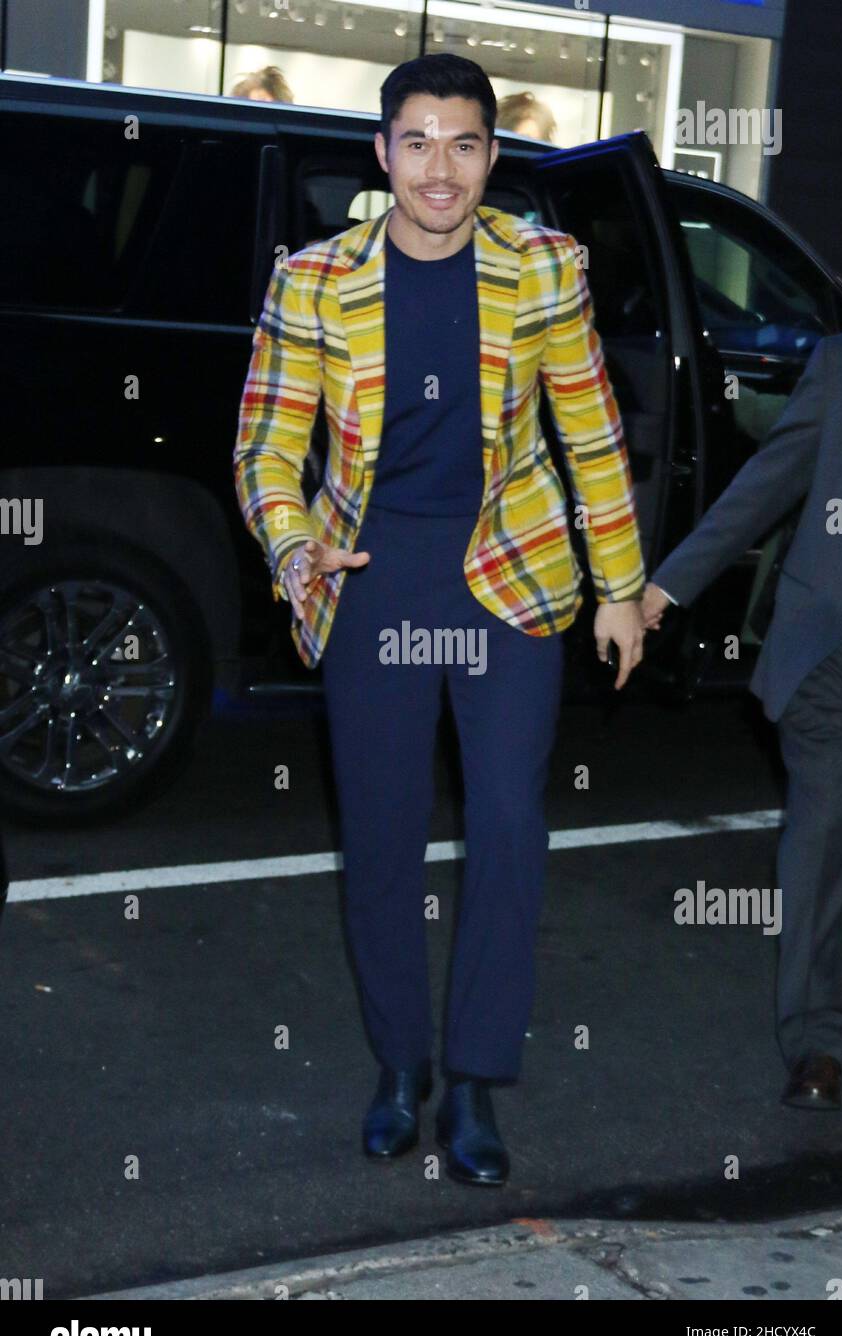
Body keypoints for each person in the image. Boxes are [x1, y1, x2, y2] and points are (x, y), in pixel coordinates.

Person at [233, 53, 644, 1186]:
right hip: (371, 580)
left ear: (490, 156)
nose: (439, 169)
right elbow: (264, 444)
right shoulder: (311, 282)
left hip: (506, 577)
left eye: (463, 144)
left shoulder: (543, 268)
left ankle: (472, 1081)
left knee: (508, 823)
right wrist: (291, 539)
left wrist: (616, 586)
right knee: (380, 836)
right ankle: (398, 1066)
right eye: (416, 142)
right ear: (382, 152)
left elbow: (590, 435)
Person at [642, 330, 842, 1109]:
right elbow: (764, 486)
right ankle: (817, 1047)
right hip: (832, 652)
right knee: (818, 838)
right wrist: (666, 590)